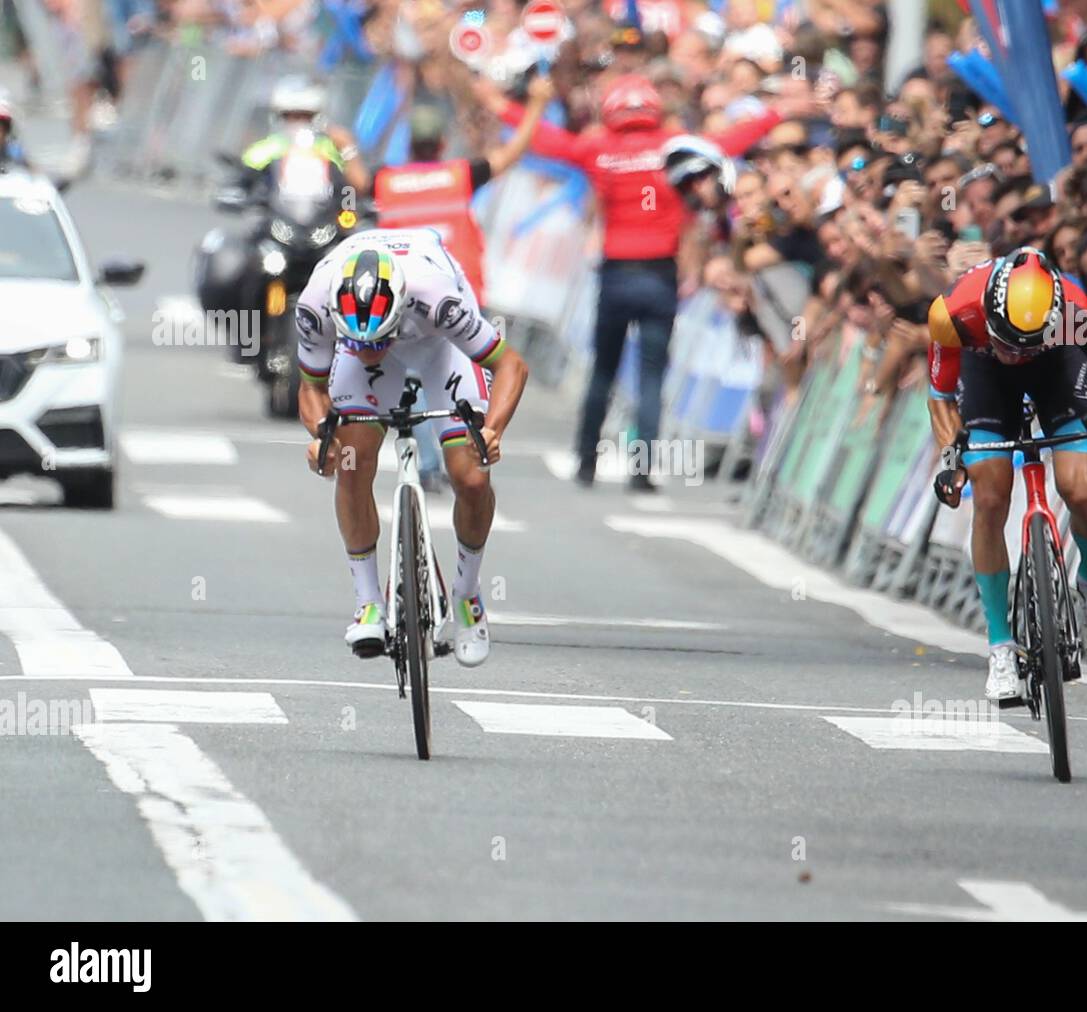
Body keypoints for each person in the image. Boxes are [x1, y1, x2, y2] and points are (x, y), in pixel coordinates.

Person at [487, 72, 803, 490]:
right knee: (652, 376)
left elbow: (548, 140)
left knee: (603, 371)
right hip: (659, 276)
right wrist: (778, 111)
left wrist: (503, 103)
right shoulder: (674, 148)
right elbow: (730, 142)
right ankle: (640, 472)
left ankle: (585, 463)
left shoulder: (599, 147)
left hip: (616, 274)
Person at [296, 229, 529, 667]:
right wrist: (321, 434)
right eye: (359, 344)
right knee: (350, 459)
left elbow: (510, 364)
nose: (369, 351)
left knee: (471, 477)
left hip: (438, 345)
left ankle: (466, 594)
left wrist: (493, 430)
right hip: (374, 343)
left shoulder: (438, 299)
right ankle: (368, 603)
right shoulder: (315, 304)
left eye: (378, 341)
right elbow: (311, 388)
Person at [927, 247, 1087, 700]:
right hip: (984, 377)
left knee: (1081, 490)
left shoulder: (1075, 310)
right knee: (989, 494)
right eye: (1008, 344)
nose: (1015, 356)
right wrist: (951, 462)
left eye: (1023, 349)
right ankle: (1001, 646)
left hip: (1056, 366)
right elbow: (939, 397)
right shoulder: (953, 312)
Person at [373, 75, 553, 494]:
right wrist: (536, 107)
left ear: (409, 145)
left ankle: (430, 463)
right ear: (440, 144)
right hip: (460, 294)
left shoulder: (387, 182)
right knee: (461, 379)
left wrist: (346, 143)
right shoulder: (460, 174)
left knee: (414, 377)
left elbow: (356, 175)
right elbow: (510, 155)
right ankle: (461, 456)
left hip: (404, 298)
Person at [240, 76, 369, 197]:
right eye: (292, 117)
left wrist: (348, 148)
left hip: (323, 217)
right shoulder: (268, 147)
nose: (299, 123)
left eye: (305, 117)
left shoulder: (330, 147)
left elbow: (359, 186)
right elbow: (243, 179)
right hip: (278, 217)